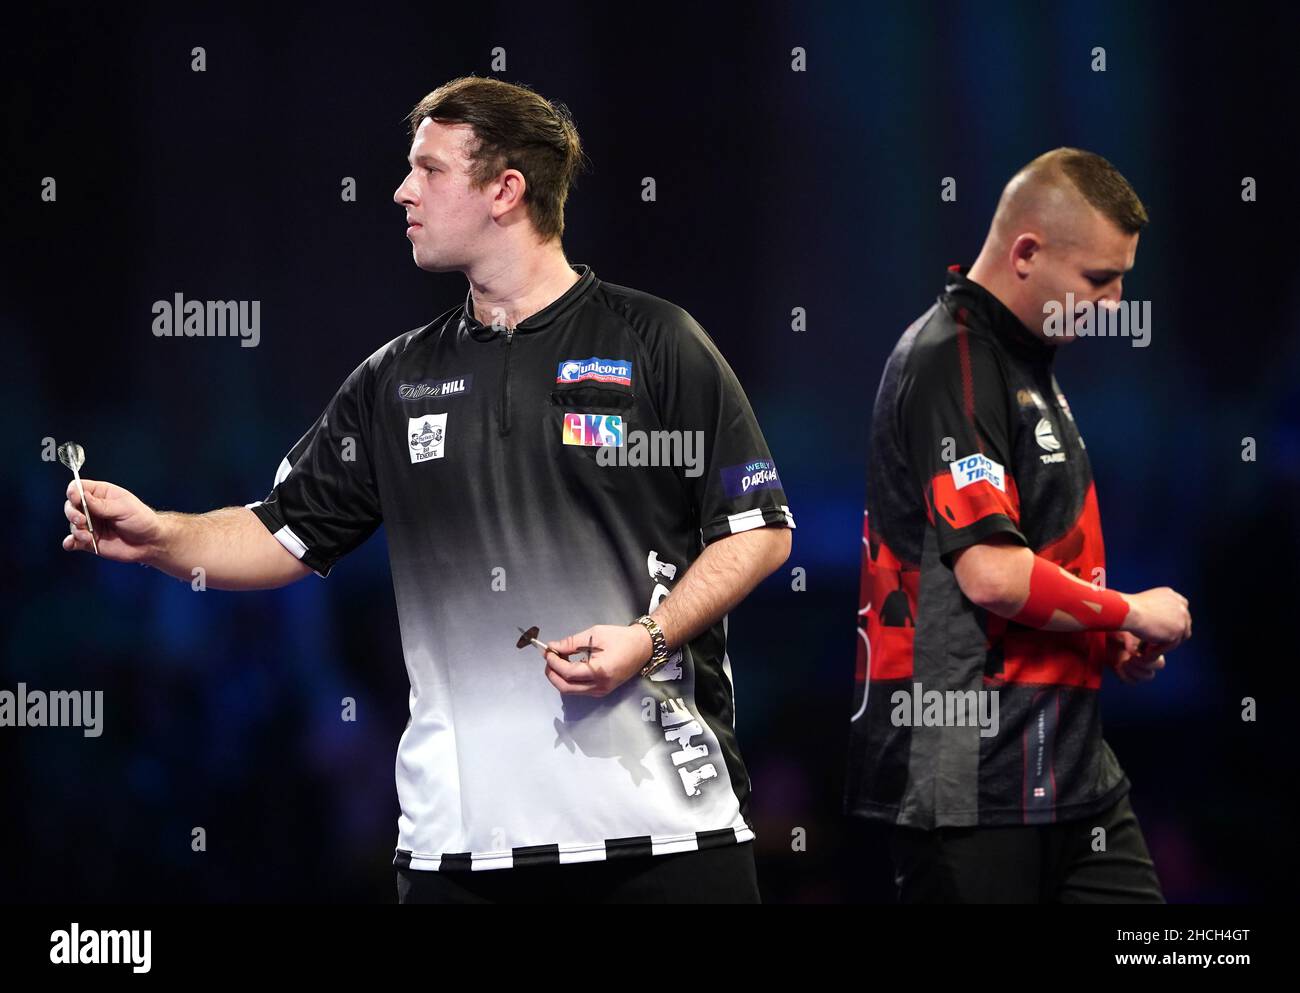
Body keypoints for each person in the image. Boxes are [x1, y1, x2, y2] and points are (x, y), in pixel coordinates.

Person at [61, 76, 793, 904]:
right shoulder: (394, 378)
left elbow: (759, 529)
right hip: (458, 854)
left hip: (667, 835)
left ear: (505, 191)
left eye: (430, 170)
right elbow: (283, 533)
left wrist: (651, 637)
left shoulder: (661, 342)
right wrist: (160, 537)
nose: (402, 190)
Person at [844, 148, 1191, 903]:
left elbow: (1022, 556)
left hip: (1071, 772)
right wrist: (1134, 609)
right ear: (1027, 253)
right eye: (1100, 279)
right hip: (971, 784)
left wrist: (1099, 630)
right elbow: (992, 574)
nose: (1116, 300)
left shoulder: (1023, 362)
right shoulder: (951, 360)